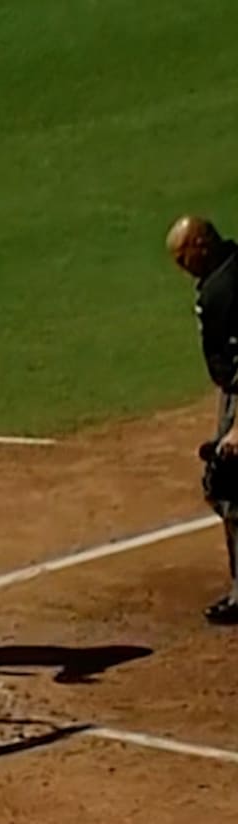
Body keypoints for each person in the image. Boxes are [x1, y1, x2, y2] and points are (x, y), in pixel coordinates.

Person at [167, 215, 238, 625]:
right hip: (233, 393)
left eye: (182, 256)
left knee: (230, 491)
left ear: (200, 245)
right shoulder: (228, 271)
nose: (181, 266)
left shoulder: (224, 288)